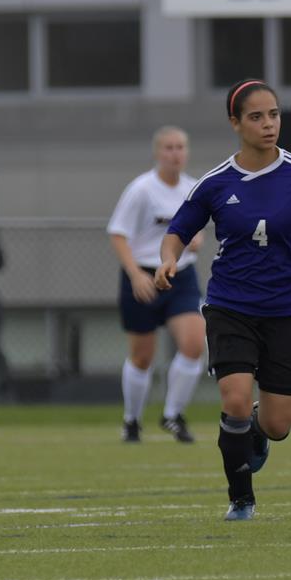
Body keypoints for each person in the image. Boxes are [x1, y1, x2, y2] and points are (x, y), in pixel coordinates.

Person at [158, 80, 291, 521]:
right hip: (231, 305)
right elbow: (178, 231)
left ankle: (256, 428)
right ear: (235, 123)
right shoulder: (216, 182)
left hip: (289, 309)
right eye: (256, 117)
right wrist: (167, 262)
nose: (268, 124)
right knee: (234, 398)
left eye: (273, 114)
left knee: (278, 426)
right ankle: (241, 498)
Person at [106, 126, 206, 444]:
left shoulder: (193, 189)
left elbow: (198, 231)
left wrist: (195, 240)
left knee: (193, 344)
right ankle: (132, 420)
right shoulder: (141, 190)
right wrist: (136, 275)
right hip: (144, 276)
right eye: (168, 148)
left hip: (180, 275)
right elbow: (118, 233)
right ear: (157, 153)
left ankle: (172, 414)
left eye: (180, 147)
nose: (175, 154)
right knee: (142, 356)